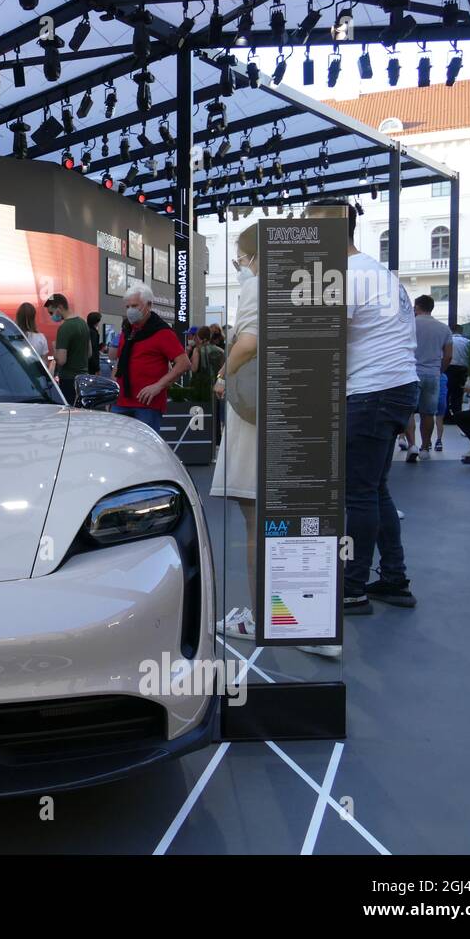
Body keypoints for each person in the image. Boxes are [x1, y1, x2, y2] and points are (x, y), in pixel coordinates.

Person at [305, 198, 419, 617]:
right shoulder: (374, 270)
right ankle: (394, 577)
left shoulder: (347, 275)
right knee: (374, 488)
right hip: (393, 389)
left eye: (310, 226)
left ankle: (352, 588)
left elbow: (325, 341)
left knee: (357, 494)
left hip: (372, 392)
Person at [211, 224, 260, 640]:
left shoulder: (255, 287)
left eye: (238, 260)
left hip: (253, 412)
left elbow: (248, 341)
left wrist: (223, 373)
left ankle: (261, 615)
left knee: (254, 515)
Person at [111, 283, 190, 431]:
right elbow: (120, 362)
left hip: (147, 405)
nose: (130, 311)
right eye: (127, 307)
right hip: (121, 401)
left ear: (149, 305)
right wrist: (113, 390)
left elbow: (184, 363)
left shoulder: (162, 333)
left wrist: (158, 386)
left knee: (144, 450)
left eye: (134, 306)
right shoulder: (127, 330)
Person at [403, 294, 452, 462]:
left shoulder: (409, 325)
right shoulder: (443, 328)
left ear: (417, 307)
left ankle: (412, 446)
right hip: (433, 374)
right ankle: (425, 448)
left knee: (408, 411)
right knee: (428, 413)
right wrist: (440, 371)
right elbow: (448, 356)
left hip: (410, 374)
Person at [46, 293, 89, 404]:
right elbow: (89, 353)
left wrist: (55, 348)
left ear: (59, 308)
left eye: (51, 312)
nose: (51, 316)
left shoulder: (64, 328)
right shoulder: (83, 323)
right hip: (84, 379)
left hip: (68, 380)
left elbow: (61, 360)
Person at [15, 302, 51, 371]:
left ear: (18, 316)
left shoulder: (10, 337)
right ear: (33, 317)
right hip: (35, 378)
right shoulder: (41, 338)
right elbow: (45, 363)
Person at [447, 323, 470, 418]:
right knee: (458, 392)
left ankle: (446, 415)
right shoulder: (468, 342)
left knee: (447, 392)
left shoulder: (448, 340)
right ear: (461, 331)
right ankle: (457, 414)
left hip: (449, 367)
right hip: (462, 369)